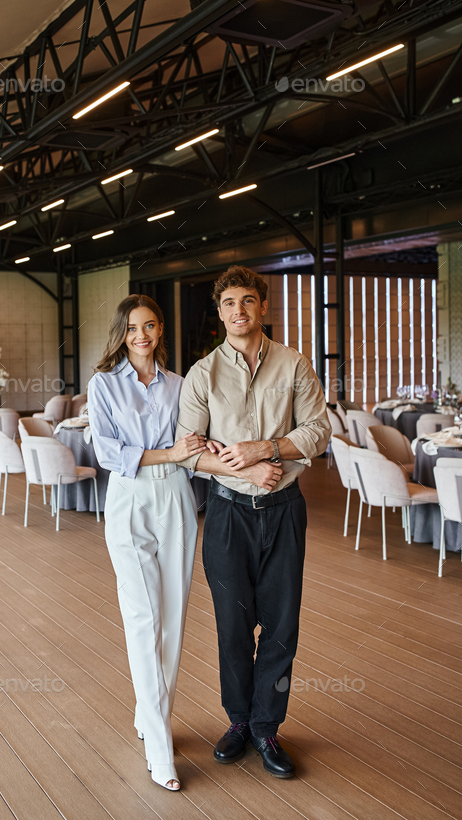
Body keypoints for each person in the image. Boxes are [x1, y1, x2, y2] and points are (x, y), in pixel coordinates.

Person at [175, 265, 331, 778]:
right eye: (228, 303)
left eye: (247, 300)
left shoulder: (294, 365)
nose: (238, 310)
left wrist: (267, 449)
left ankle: (267, 727)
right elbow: (189, 451)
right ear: (219, 313)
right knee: (233, 626)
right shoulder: (202, 374)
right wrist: (247, 468)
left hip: (284, 511)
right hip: (227, 515)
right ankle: (239, 720)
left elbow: (318, 431)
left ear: (262, 306)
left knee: (282, 626)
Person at [88, 294, 205, 792]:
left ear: (160, 331)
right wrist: (169, 453)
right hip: (129, 497)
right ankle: (159, 745)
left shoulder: (180, 385)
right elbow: (108, 451)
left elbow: (193, 445)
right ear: (122, 332)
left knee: (173, 617)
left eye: (150, 326)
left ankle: (150, 713)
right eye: (133, 327)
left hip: (176, 497)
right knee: (143, 618)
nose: (142, 335)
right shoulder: (103, 384)